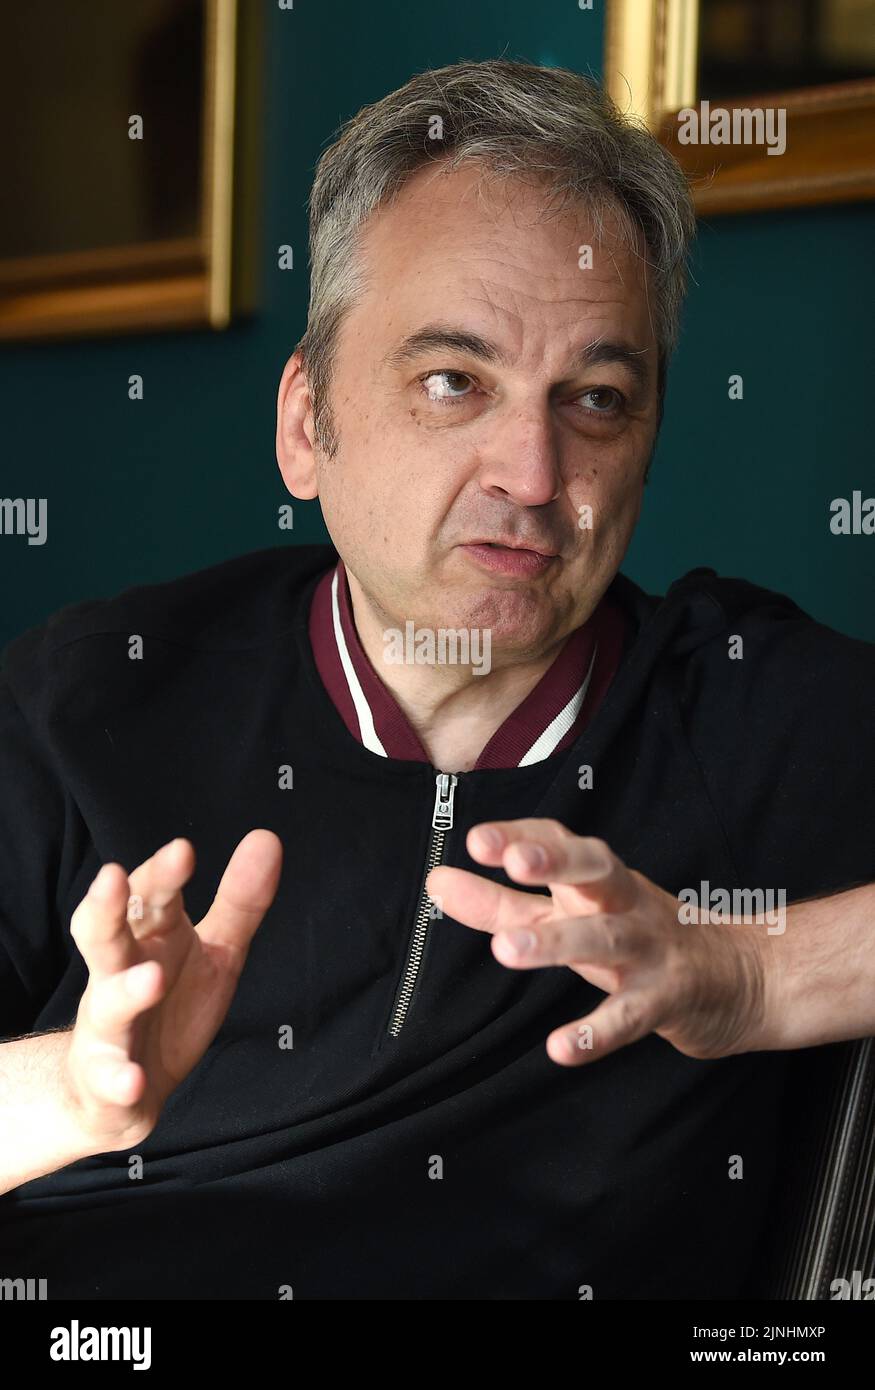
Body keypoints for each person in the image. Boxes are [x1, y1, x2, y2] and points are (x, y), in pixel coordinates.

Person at [1, 59, 873, 1301]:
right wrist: (78, 1091)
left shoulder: (748, 705)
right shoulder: (91, 695)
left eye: (595, 399)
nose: (528, 468)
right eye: (453, 381)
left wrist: (746, 973)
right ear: (308, 425)